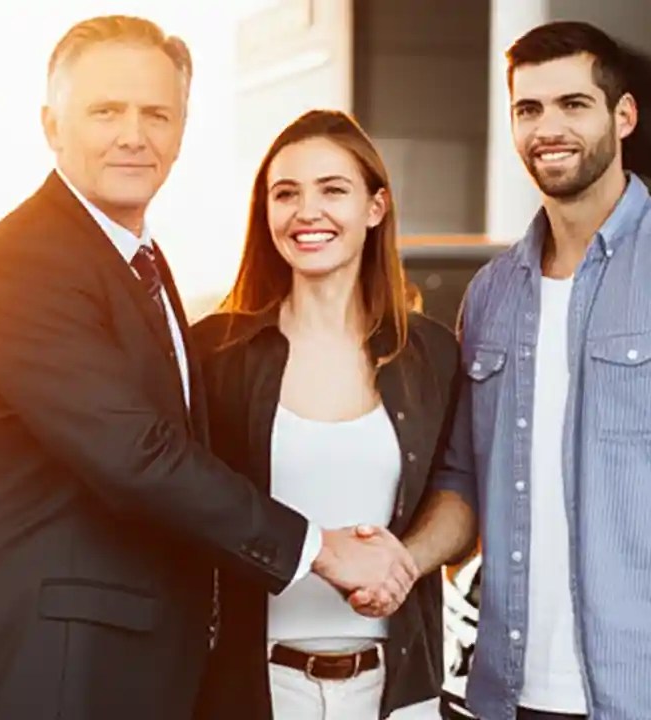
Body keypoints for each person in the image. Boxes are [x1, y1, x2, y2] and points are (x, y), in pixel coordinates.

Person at [0, 16, 414, 720]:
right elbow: (137, 454)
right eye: (105, 111)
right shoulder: (25, 264)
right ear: (52, 126)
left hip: (118, 667)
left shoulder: (132, 256)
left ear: (180, 132)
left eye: (156, 113)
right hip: (40, 668)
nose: (133, 135)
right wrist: (318, 548)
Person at [361, 20, 651, 720]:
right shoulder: (491, 294)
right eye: (529, 108)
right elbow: (462, 483)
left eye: (573, 104)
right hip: (506, 697)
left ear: (623, 114)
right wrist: (399, 562)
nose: (549, 127)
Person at [190, 109, 458, 720]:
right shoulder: (216, 353)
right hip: (254, 689)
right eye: (286, 194)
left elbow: (459, 493)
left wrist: (404, 563)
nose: (307, 211)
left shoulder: (431, 354)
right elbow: (186, 502)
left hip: (396, 692)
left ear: (375, 206)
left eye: (332, 190)